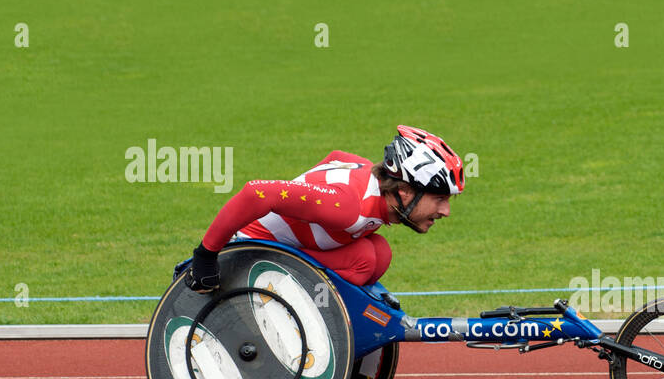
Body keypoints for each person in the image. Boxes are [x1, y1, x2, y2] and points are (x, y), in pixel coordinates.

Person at [185, 124, 463, 293]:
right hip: (246, 254)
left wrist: (305, 200)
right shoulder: (347, 207)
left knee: (379, 253)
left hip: (285, 246)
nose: (446, 211)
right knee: (364, 259)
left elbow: (336, 158)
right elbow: (256, 192)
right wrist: (206, 255)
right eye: (439, 199)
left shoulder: (374, 182)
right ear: (404, 191)